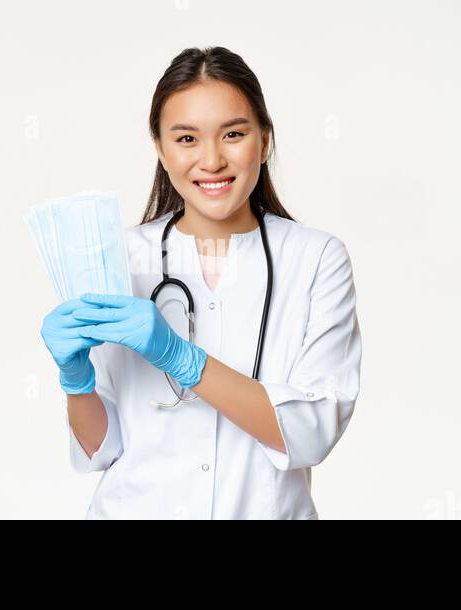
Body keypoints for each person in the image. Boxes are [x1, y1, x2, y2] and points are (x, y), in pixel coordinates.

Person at [40, 46, 362, 519]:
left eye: (233, 134)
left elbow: (312, 431)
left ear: (265, 140)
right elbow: (100, 447)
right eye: (186, 139)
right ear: (160, 149)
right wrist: (75, 380)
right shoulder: (124, 257)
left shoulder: (315, 259)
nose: (211, 160)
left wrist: (180, 358)